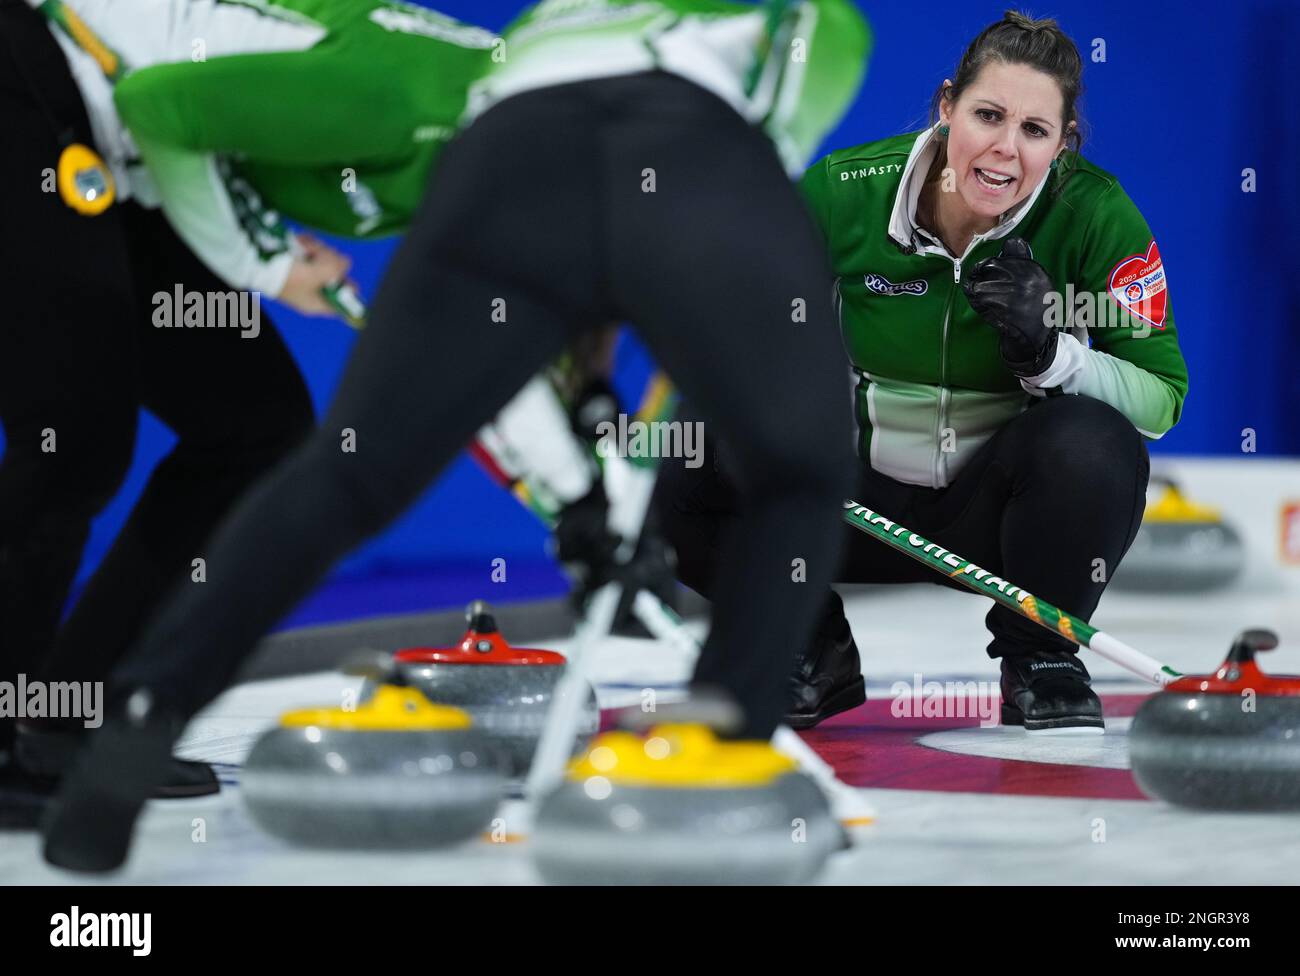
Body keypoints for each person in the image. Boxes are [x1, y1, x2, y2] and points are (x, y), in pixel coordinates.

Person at [41, 0, 873, 871]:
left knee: (345, 477)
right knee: (798, 473)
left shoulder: (533, 37)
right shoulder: (805, 19)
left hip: (503, 160)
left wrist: (579, 492)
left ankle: (143, 712)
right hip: (691, 143)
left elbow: (539, 317)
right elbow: (694, 196)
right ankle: (716, 749)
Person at [655, 10, 1189, 732]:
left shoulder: (1094, 213)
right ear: (946, 108)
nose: (1004, 151)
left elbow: (1160, 401)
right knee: (689, 438)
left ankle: (1042, 654)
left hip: (999, 524)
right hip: (847, 504)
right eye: (987, 115)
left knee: (1094, 441)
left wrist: (1050, 354)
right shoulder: (846, 189)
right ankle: (810, 644)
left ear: (1063, 145)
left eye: (1034, 131)